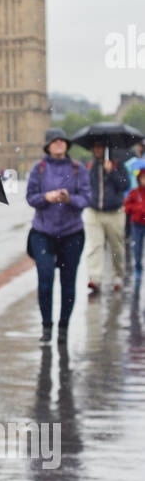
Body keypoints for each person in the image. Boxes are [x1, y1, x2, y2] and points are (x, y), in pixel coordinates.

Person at [26, 129, 90, 343]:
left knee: (68, 281)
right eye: (55, 141)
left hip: (72, 233)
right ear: (48, 145)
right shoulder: (39, 168)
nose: (60, 143)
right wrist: (46, 196)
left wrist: (68, 198)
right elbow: (31, 198)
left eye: (63, 140)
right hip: (43, 232)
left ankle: (63, 326)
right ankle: (47, 327)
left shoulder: (78, 168)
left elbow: (86, 199)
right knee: (45, 280)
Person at [83, 139, 129, 293]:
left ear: (105, 148)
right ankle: (95, 278)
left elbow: (125, 185)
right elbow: (85, 185)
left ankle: (118, 276)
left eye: (100, 146)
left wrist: (112, 172)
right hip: (94, 211)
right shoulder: (91, 166)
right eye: (95, 147)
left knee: (116, 246)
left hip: (114, 212)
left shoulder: (117, 164)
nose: (97, 150)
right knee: (95, 246)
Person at [124, 167, 145, 280]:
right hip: (137, 224)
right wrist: (137, 208)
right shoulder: (134, 192)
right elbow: (127, 206)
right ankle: (138, 266)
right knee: (137, 247)